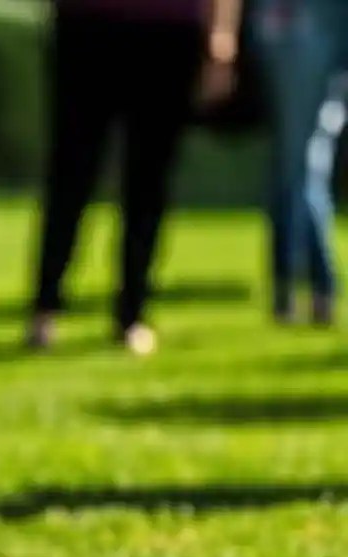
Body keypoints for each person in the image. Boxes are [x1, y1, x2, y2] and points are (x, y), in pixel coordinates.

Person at [27, 0, 241, 356]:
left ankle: (131, 313)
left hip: (168, 29)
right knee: (71, 173)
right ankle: (45, 307)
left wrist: (222, 35)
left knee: (149, 180)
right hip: (90, 22)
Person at [251, 0, 345, 326]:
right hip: (288, 33)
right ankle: (300, 287)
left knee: (299, 168)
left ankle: (304, 285)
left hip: (310, 37)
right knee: (297, 167)